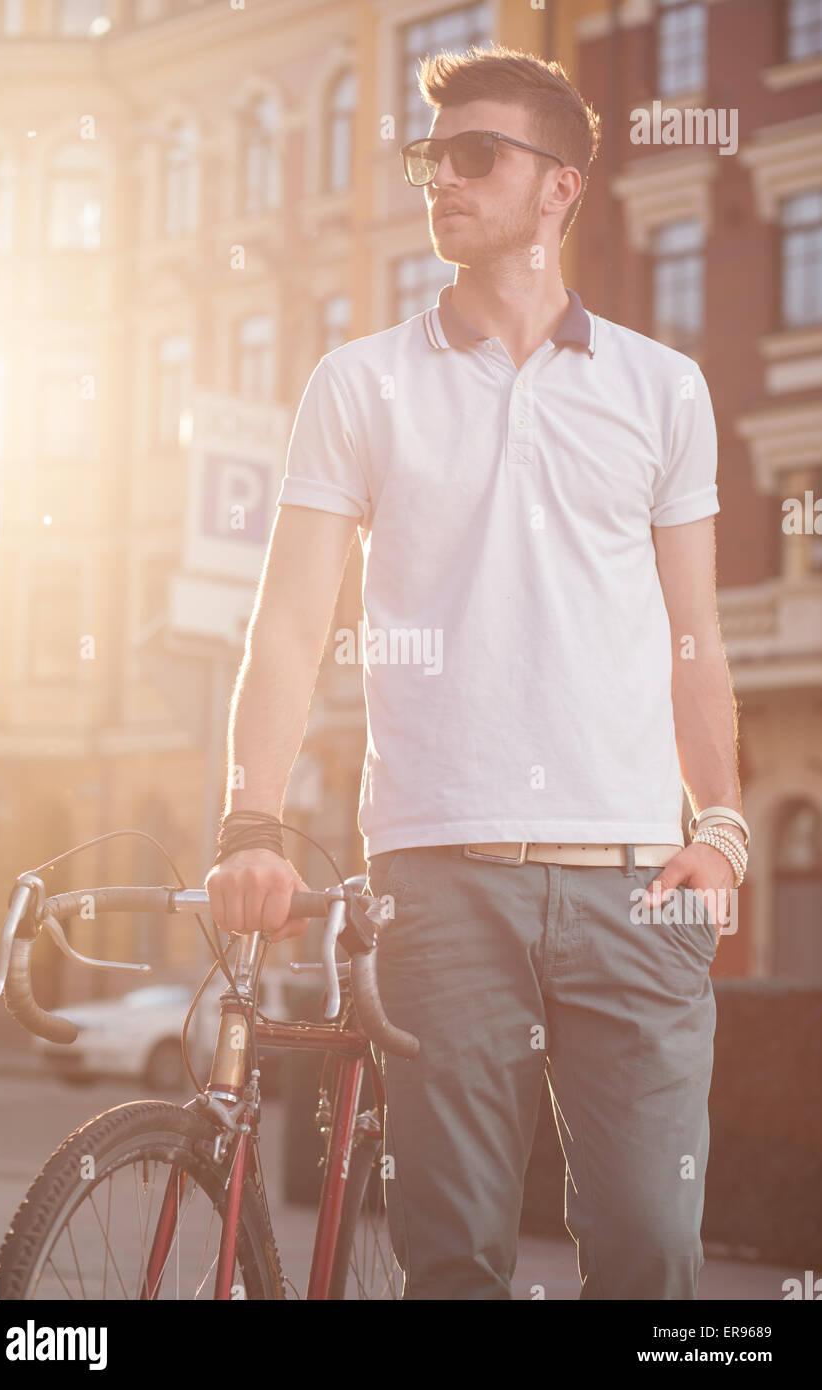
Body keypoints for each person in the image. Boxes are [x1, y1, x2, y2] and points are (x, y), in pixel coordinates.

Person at [206, 44, 748, 1300]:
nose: (438, 180)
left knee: (652, 1260)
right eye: (429, 156)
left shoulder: (662, 390)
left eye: (473, 154)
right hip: (438, 880)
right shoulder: (358, 384)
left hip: (632, 882)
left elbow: (693, 638)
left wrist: (718, 832)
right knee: (449, 1266)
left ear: (559, 188)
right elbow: (287, 624)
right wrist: (250, 814)